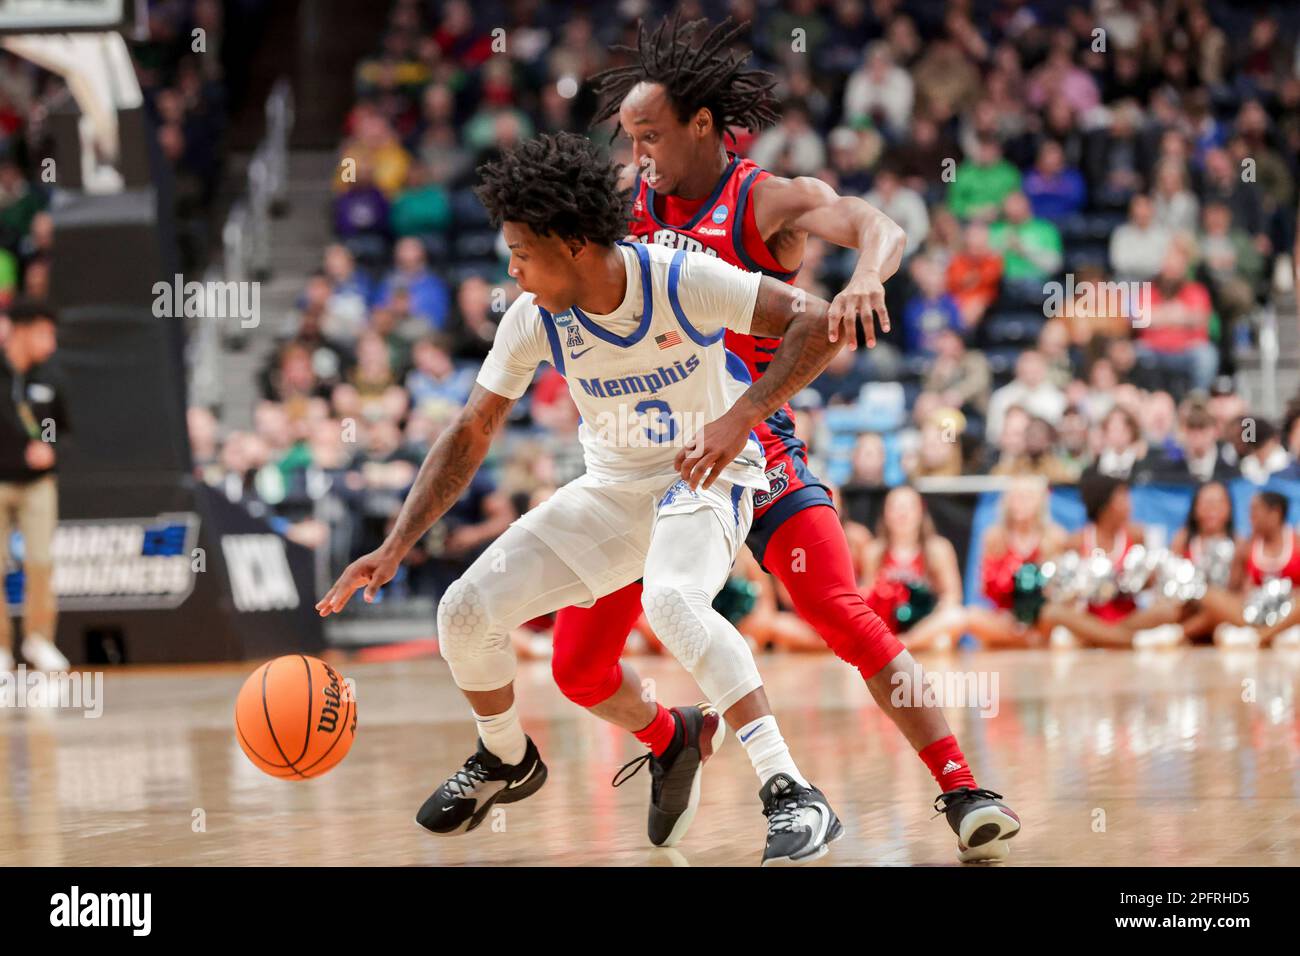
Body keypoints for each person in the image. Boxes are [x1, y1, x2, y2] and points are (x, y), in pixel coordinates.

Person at [318, 133, 853, 866]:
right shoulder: (534, 319)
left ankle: (792, 790)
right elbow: (472, 429)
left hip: (704, 478)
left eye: (522, 253)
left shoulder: (677, 277)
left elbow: (818, 322)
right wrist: (395, 545)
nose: (512, 270)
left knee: (671, 601)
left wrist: (739, 420)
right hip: (613, 491)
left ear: (571, 244)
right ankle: (506, 758)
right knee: (463, 614)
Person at [580, 14, 1020, 862]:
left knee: (842, 614)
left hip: (754, 440)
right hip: (657, 456)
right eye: (629, 137)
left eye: (651, 135)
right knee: (579, 660)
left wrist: (861, 279)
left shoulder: (762, 199)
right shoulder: (626, 200)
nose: (639, 153)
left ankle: (965, 790)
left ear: (702, 125)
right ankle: (663, 736)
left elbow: (877, 225)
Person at [0, 300, 69, 673]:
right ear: (21, 330)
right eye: (45, 332)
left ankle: (39, 639)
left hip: (38, 485)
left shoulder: (49, 379)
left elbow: (61, 429)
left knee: (40, 561)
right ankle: (1, 649)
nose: (52, 343)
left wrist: (49, 446)